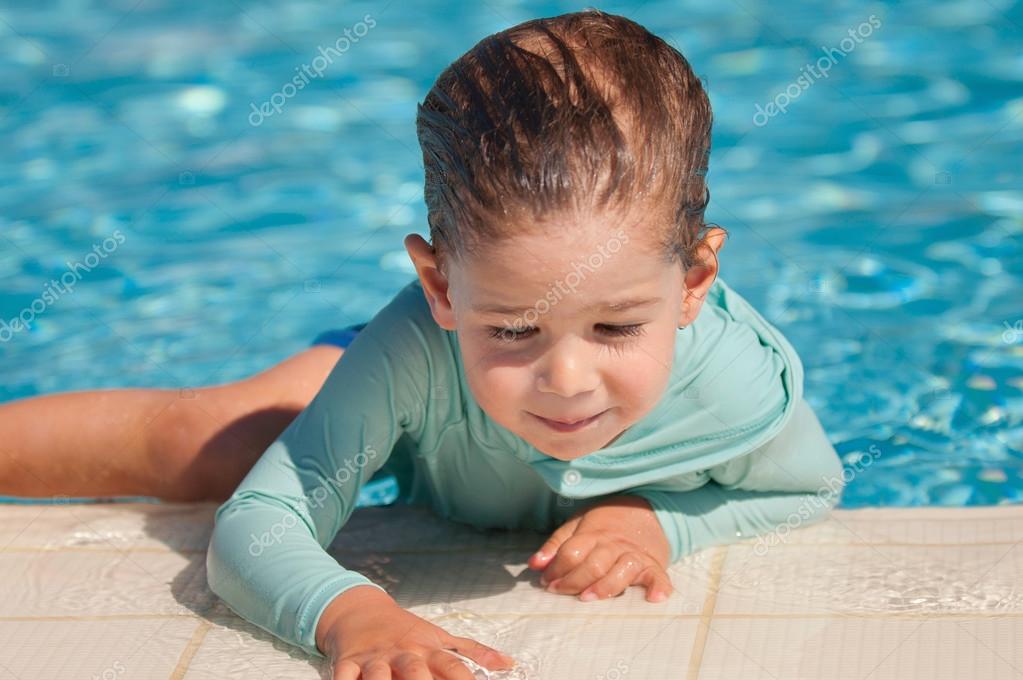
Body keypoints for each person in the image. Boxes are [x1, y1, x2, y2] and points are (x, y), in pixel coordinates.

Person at [0, 9, 845, 679]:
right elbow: (257, 525)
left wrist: (659, 523)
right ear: (442, 288)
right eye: (513, 328)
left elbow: (809, 487)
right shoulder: (413, 349)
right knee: (212, 443)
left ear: (694, 285)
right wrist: (349, 612)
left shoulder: (735, 378)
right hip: (420, 404)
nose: (565, 378)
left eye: (617, 326)